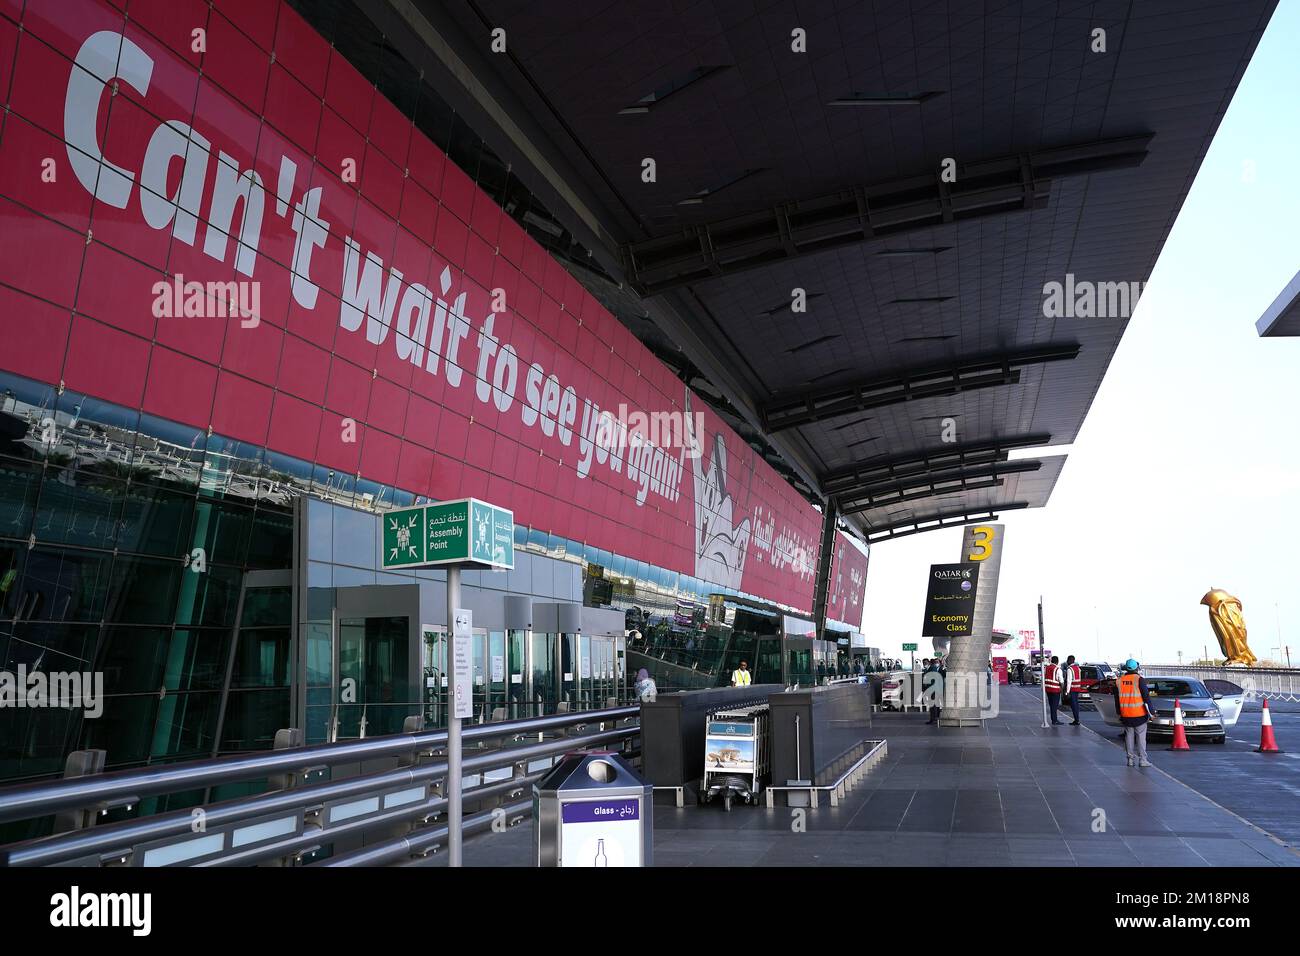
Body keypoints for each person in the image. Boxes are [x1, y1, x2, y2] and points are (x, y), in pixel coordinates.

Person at [1114, 659, 1154, 767]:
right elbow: (1146, 698)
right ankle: (1142, 760)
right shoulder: (1139, 680)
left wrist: (1119, 713)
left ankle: (1130, 760)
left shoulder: (1119, 681)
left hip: (1126, 715)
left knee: (1129, 737)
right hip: (1139, 714)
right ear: (1137, 668)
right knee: (1141, 738)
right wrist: (1152, 712)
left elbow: (1117, 700)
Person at [1061, 654, 1082, 725]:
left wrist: (1067, 691)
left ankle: (1076, 720)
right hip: (1077, 688)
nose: (1067, 662)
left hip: (1072, 689)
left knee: (1073, 705)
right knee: (1076, 704)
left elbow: (1069, 681)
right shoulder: (1078, 668)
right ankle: (1077, 719)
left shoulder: (1070, 669)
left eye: (1068, 660)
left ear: (1070, 660)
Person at [1044, 655, 1063, 725]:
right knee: (1055, 706)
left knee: (1051, 705)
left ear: (1051, 661)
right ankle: (1054, 720)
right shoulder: (1058, 669)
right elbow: (1061, 681)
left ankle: (1053, 719)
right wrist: (1062, 689)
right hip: (1055, 690)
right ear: (1057, 661)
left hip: (1048, 690)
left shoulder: (1046, 668)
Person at [925, 657, 943, 725]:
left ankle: (933, 719)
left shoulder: (932, 668)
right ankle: (935, 718)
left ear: (929, 662)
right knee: (935, 704)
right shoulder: (933, 668)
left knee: (933, 705)